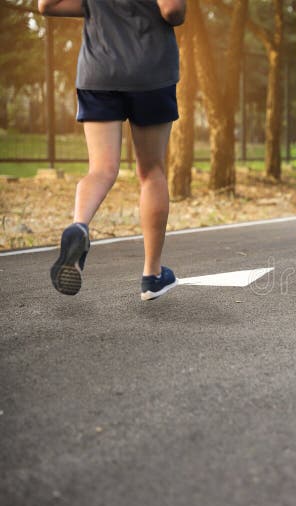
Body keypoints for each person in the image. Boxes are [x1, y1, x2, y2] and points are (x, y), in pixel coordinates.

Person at [40, 0, 185, 301]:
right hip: (151, 71)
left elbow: (47, 4)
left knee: (101, 169)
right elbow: (172, 10)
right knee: (151, 171)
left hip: (98, 70)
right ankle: (152, 275)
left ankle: (79, 226)